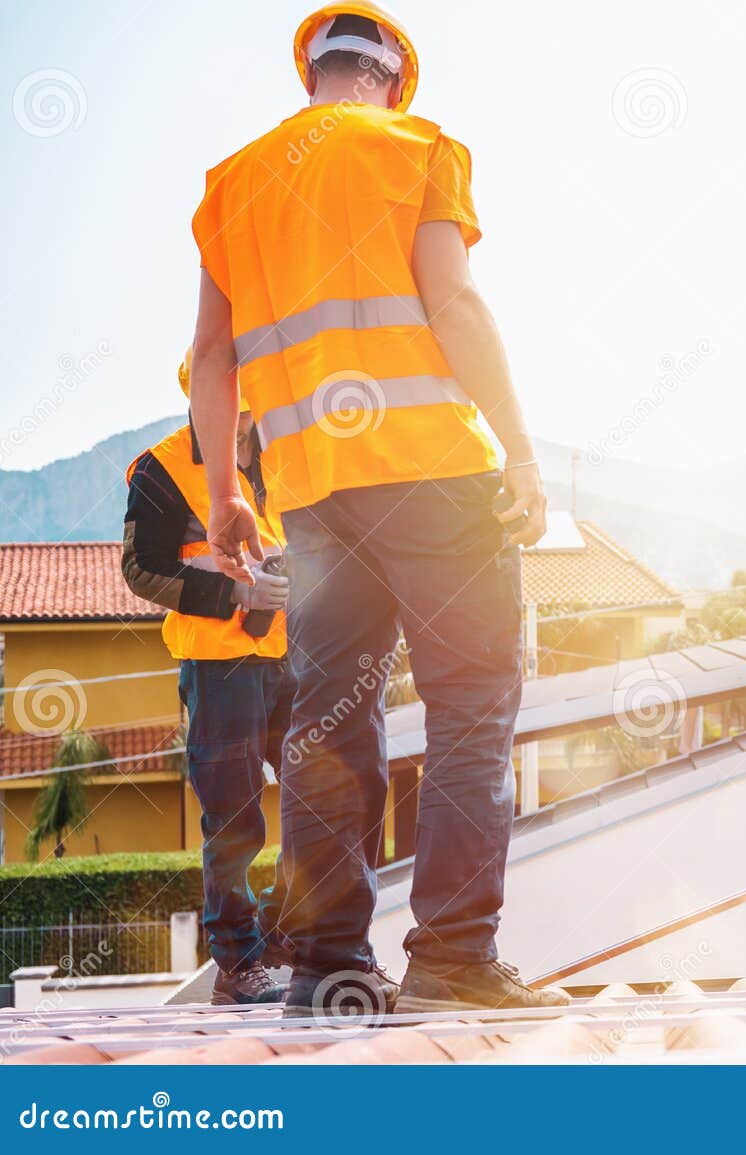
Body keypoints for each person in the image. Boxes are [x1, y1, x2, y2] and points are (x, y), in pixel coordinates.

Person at [187, 1, 564, 1018]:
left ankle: (325, 966)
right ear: (392, 78)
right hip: (436, 474)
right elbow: (454, 302)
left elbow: (213, 357)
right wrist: (521, 452)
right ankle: (451, 954)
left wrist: (227, 493)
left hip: (311, 499)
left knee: (326, 726)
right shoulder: (419, 146)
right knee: (471, 704)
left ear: (312, 72)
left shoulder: (231, 185)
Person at [122, 349, 294, 1004]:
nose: (244, 415)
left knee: (324, 796)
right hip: (218, 663)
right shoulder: (162, 467)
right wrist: (231, 595)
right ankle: (238, 960)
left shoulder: (283, 456)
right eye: (232, 401)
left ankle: (286, 937)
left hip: (291, 654)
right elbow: (142, 567)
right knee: (233, 817)